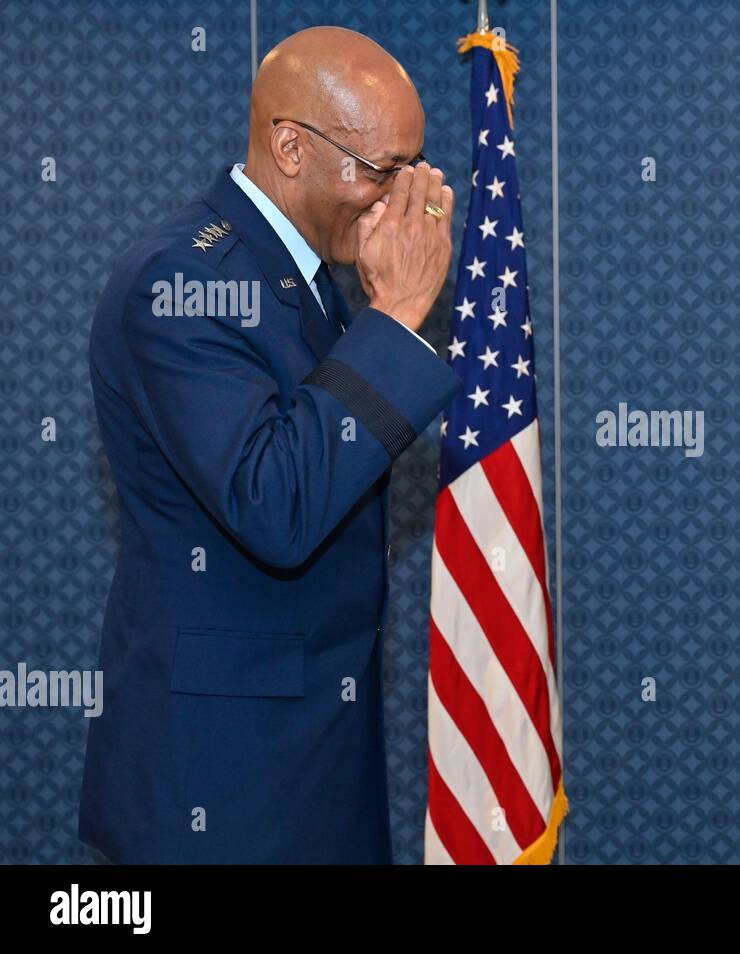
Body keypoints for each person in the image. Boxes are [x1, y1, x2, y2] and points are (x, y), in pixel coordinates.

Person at [79, 26, 463, 863]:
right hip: (219, 784)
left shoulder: (304, 278)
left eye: (413, 168)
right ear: (290, 146)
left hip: (313, 755)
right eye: (380, 169)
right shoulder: (180, 282)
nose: (400, 199)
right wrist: (396, 319)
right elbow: (277, 504)